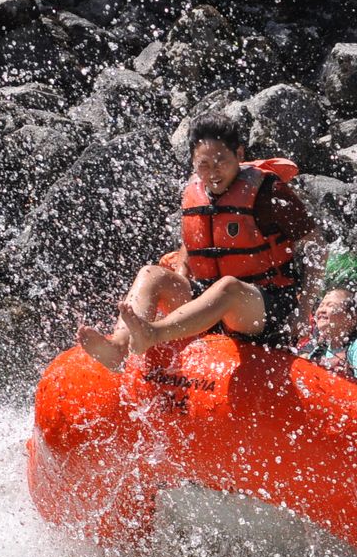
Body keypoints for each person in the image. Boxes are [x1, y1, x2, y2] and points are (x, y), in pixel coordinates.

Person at [78, 111, 322, 367]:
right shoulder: (195, 193)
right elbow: (192, 243)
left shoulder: (268, 192)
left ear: (239, 154)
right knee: (152, 274)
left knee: (228, 287)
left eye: (221, 162)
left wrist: (305, 305)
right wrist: (180, 276)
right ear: (193, 163)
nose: (213, 173)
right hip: (210, 307)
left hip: (266, 307)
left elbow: (316, 246)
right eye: (203, 165)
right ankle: (119, 346)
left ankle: (153, 333)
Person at [298, 287, 357, 385]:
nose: (322, 310)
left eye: (331, 305)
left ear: (351, 318)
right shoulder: (320, 349)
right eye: (321, 305)